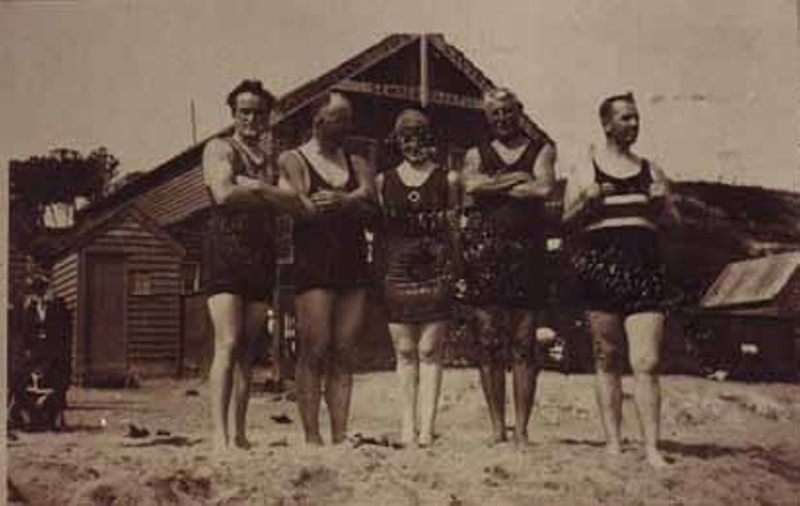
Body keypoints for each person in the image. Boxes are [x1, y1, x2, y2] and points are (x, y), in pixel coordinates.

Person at [562, 92, 680, 468]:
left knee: (646, 360)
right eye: (626, 118)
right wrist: (587, 203)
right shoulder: (584, 169)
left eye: (636, 118)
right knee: (607, 358)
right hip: (601, 271)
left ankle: (651, 447)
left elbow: (674, 224)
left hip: (645, 271)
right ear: (607, 124)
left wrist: (662, 203)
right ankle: (613, 442)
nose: (634, 124)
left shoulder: (652, 170)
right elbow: (565, 222)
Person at [202, 79, 303, 453]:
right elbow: (223, 192)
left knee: (248, 350)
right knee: (227, 342)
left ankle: (240, 432)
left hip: (261, 254)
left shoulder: (271, 160)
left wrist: (257, 188)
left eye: (258, 112)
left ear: (266, 117)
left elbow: (294, 201)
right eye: (244, 111)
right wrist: (266, 193)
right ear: (233, 113)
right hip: (226, 250)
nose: (251, 118)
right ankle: (218, 433)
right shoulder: (219, 147)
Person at [279, 92, 377, 445]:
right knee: (314, 347)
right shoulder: (293, 158)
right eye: (340, 118)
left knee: (344, 350)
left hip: (351, 262)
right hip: (314, 262)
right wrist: (351, 201)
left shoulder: (358, 162)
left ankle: (339, 434)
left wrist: (342, 200)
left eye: (348, 118)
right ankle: (311, 436)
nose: (347, 125)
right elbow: (301, 203)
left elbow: (372, 206)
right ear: (318, 120)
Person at [461, 88, 556, 447]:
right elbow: (471, 186)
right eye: (495, 114)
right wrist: (516, 179)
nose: (501, 118)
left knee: (523, 342)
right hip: (485, 252)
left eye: (507, 111)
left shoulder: (542, 148)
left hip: (527, 253)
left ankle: (523, 429)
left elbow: (543, 189)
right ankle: (497, 427)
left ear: (519, 111)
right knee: (488, 342)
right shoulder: (475, 153)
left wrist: (492, 186)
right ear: (488, 118)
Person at [375, 109, 460, 447]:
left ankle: (427, 429)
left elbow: (454, 230)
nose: (412, 143)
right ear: (397, 141)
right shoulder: (385, 181)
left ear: (429, 137)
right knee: (406, 350)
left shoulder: (448, 179)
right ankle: (407, 427)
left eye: (419, 135)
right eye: (405, 137)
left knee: (430, 349)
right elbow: (380, 235)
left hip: (435, 269)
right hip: (396, 271)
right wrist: (379, 274)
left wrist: (455, 270)